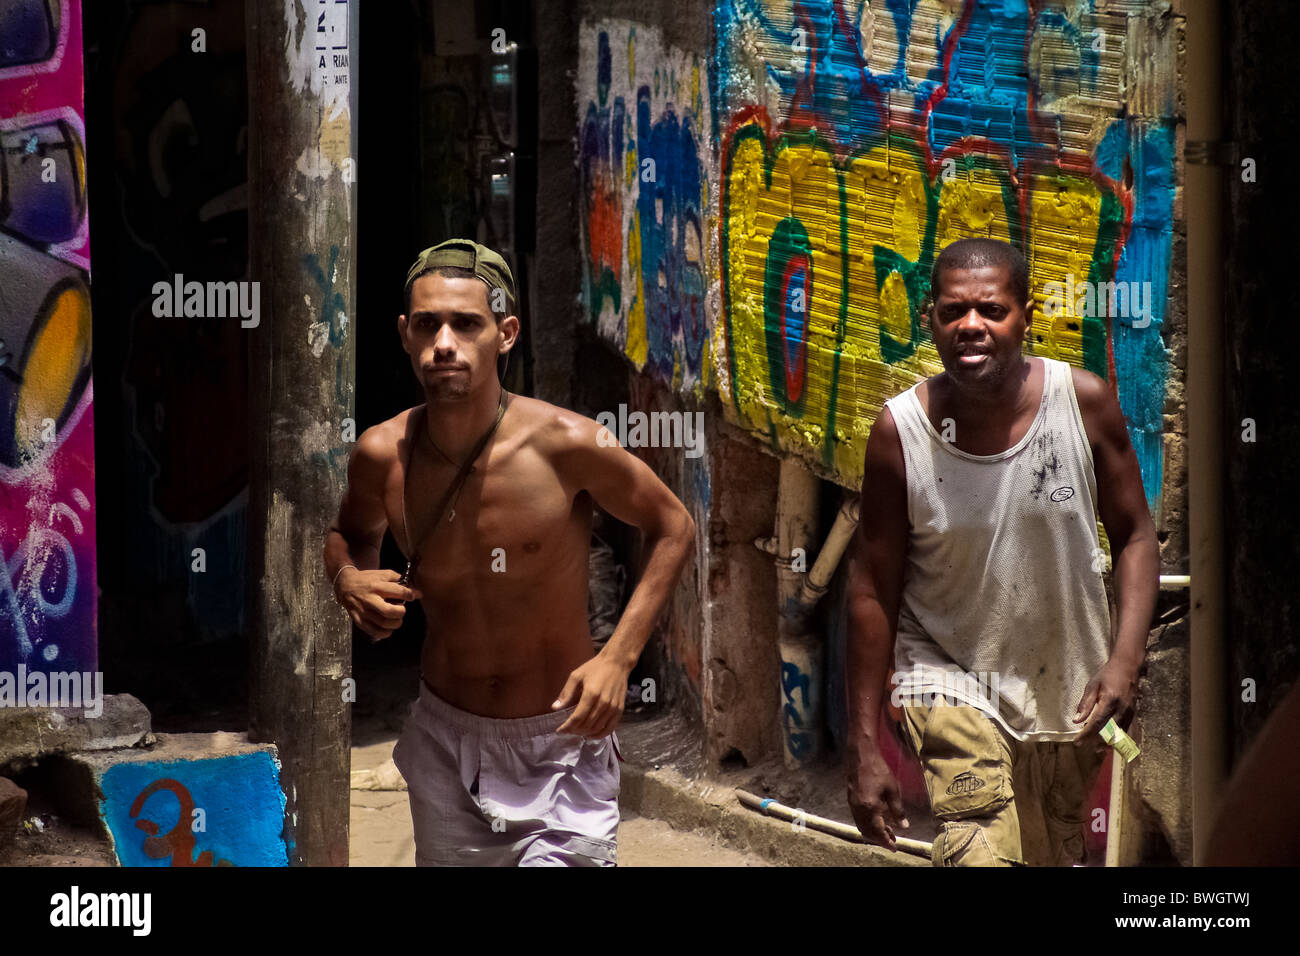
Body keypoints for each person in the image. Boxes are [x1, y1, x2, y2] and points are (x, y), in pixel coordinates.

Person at [322, 239, 695, 866]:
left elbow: (674, 525)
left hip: (561, 741)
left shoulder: (567, 444)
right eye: (427, 324)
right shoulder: (382, 454)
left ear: (506, 333)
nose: (445, 342)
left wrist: (618, 659)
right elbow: (348, 535)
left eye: (467, 323)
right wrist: (349, 580)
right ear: (405, 336)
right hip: (445, 743)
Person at [845, 237, 1159, 866]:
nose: (971, 326)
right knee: (980, 850)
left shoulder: (1084, 404)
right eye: (953, 312)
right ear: (929, 318)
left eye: (991, 310)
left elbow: (1135, 537)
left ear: (1026, 315)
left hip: (1066, 691)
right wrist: (863, 746)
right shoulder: (900, 433)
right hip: (946, 675)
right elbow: (871, 589)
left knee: (1048, 851)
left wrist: (1124, 659)